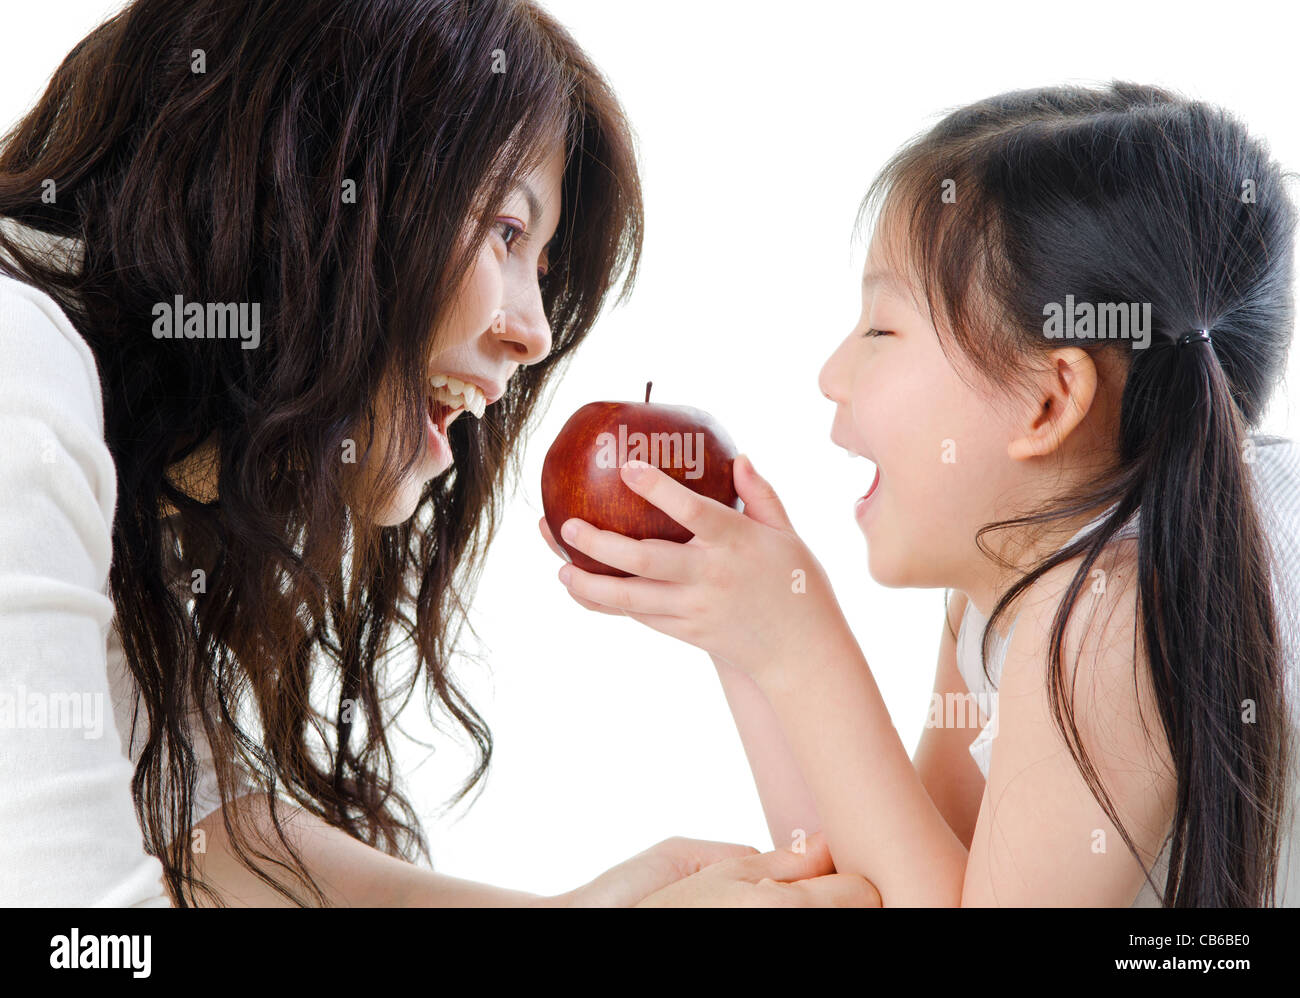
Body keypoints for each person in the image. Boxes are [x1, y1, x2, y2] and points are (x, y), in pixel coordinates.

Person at [0, 0, 879, 908]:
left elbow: (198, 827)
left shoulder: (106, 436)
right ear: (305, 180)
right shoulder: (16, 368)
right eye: (506, 231)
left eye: (540, 267)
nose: (536, 335)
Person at [545, 81, 1300, 906]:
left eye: (881, 329)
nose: (831, 373)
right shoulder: (1009, 571)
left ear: (1048, 402)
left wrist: (803, 646)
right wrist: (748, 647)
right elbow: (876, 881)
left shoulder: (1108, 610)